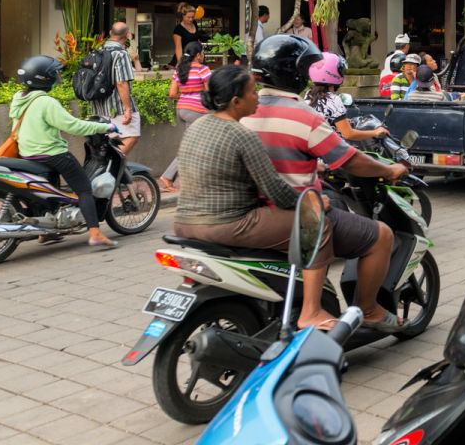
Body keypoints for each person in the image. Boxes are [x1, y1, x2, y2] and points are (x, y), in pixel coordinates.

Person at [246, 35, 408, 333]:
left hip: (254, 212)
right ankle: (369, 309)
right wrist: (387, 170)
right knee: (382, 235)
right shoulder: (305, 116)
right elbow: (350, 160)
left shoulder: (241, 110)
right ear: (295, 73)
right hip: (295, 212)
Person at [172, 65, 337, 330]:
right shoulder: (242, 135)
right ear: (236, 101)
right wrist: (312, 203)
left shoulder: (198, 125)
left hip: (183, 223)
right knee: (318, 225)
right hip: (228, 224)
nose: (258, 96)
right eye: (252, 93)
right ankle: (312, 311)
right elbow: (275, 190)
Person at [12, 55, 117, 247]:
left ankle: (47, 233)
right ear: (44, 78)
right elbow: (74, 127)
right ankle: (95, 233)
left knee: (50, 191)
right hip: (52, 154)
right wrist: (105, 128)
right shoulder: (46, 102)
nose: (57, 77)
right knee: (84, 189)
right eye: (54, 74)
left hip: (28, 154)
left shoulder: (19, 99)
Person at [159, 42, 212, 193]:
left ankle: (196, 180)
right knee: (193, 147)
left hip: (182, 109)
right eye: (202, 52)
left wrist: (187, 96)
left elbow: (172, 93)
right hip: (197, 111)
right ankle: (168, 177)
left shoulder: (180, 70)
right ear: (198, 55)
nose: (203, 55)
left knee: (197, 146)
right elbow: (210, 93)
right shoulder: (203, 70)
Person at [305, 52, 391, 142]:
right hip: (330, 150)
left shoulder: (309, 94)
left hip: (313, 145)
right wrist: (375, 132)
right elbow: (348, 134)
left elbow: (323, 117)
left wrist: (344, 121)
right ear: (333, 73)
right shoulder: (333, 100)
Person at [89, 22, 140, 156]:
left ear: (110, 33)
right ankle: (111, 166)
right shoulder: (121, 54)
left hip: (98, 106)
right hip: (116, 107)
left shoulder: (97, 51)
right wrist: (128, 109)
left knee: (110, 139)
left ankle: (106, 165)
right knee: (133, 135)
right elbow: (121, 82)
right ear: (127, 36)